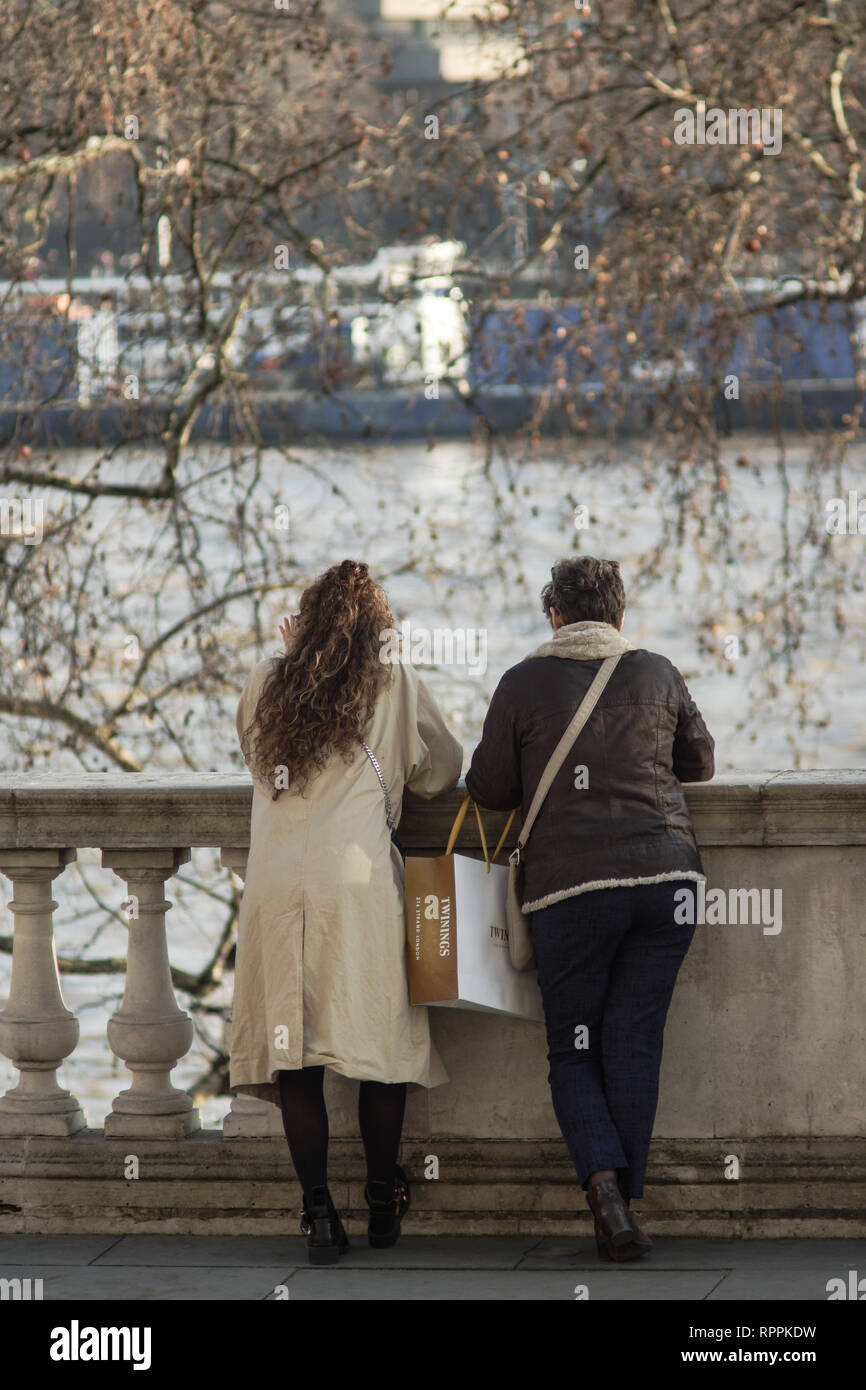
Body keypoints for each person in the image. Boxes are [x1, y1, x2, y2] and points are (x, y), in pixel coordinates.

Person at [465, 556, 714, 1260]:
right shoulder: (656, 671)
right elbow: (700, 763)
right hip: (667, 885)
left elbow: (488, 792)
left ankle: (604, 1192)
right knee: (635, 1042)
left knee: (572, 1047)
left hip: (571, 893)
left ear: (553, 615)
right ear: (620, 616)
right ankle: (625, 1205)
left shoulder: (520, 683)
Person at [230, 560, 462, 1264]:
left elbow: (251, 755)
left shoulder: (267, 681)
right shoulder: (392, 679)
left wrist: (290, 659)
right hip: (355, 885)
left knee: (294, 1056)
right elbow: (444, 767)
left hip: (275, 884)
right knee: (380, 1052)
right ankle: (383, 1203)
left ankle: (318, 1215)